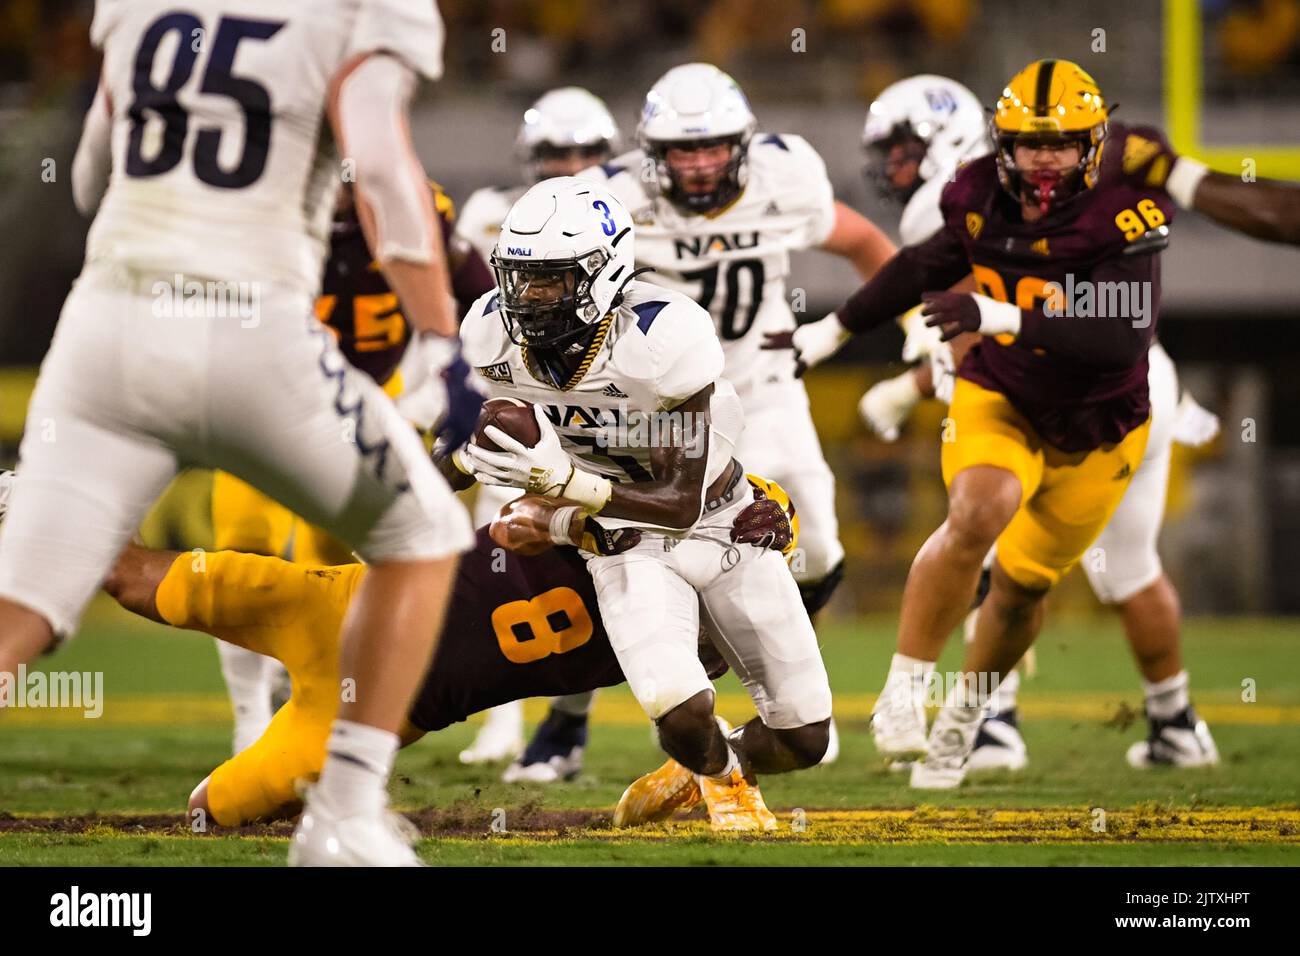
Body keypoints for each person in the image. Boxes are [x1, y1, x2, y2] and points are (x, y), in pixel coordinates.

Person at [0, 1, 481, 865]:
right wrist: (443, 342)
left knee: (25, 606)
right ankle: (343, 814)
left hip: (105, 323)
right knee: (425, 533)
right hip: (249, 323)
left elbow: (89, 173)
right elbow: (379, 171)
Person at [447, 177, 835, 829]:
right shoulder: (490, 333)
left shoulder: (660, 336)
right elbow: (452, 442)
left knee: (806, 740)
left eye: (551, 279)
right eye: (519, 278)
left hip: (722, 522)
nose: (529, 298)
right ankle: (723, 784)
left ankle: (708, 765)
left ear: (605, 274)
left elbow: (679, 501)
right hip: (622, 541)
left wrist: (560, 484)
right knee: (677, 708)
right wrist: (427, 470)